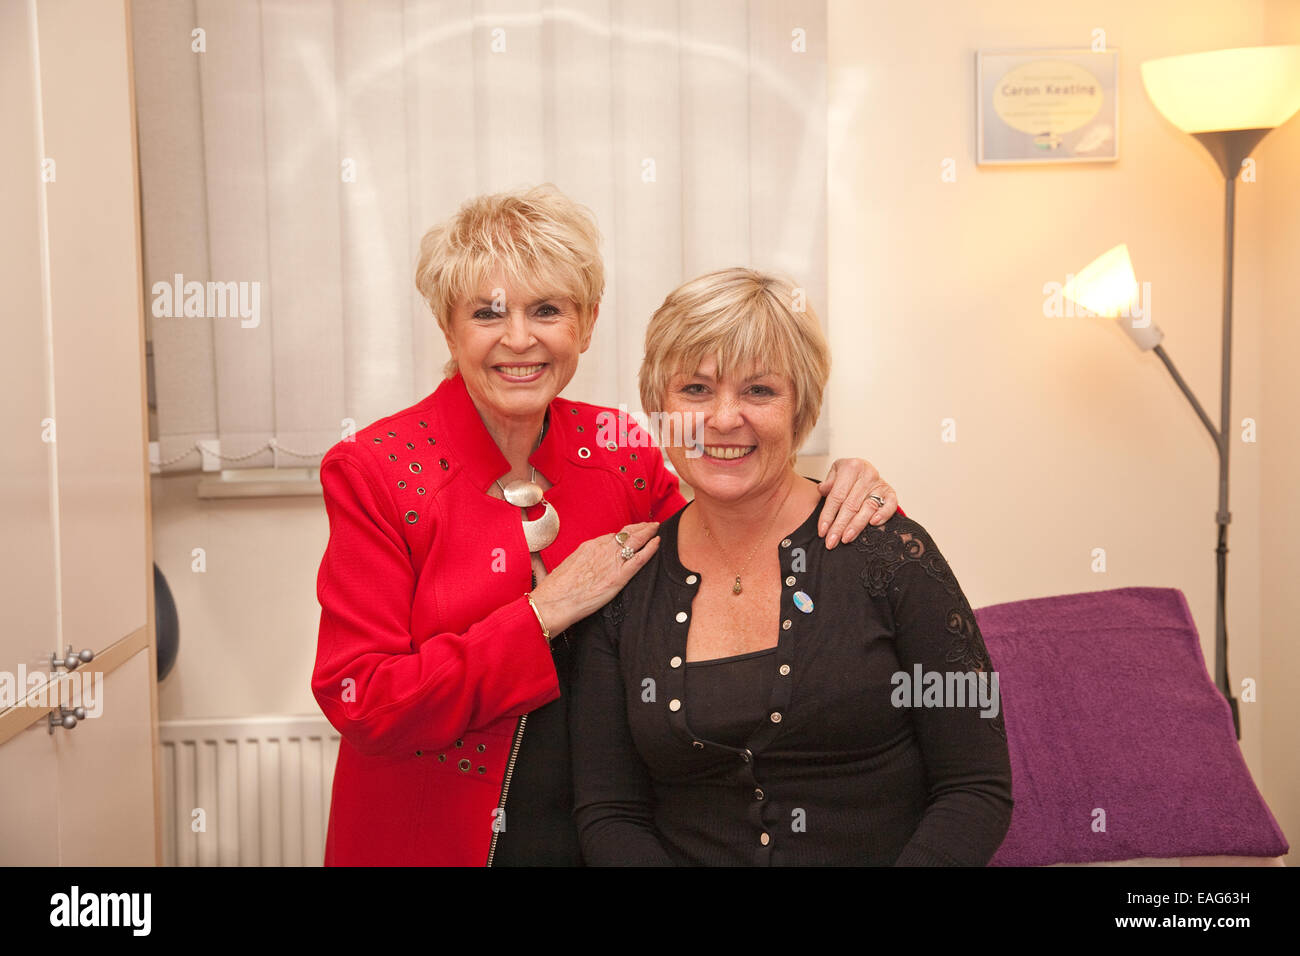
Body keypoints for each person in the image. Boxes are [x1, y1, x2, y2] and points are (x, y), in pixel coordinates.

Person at [311, 186, 901, 866]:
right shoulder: (376, 470)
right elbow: (364, 701)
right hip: (437, 838)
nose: (519, 338)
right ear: (448, 329)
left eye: (548, 310)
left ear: (587, 325)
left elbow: (733, 548)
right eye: (487, 313)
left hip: (603, 830)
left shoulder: (618, 447)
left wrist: (851, 496)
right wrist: (543, 613)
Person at [568, 267, 1013, 866]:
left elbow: (975, 787)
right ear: (657, 407)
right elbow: (610, 812)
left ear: (802, 409)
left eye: (759, 391)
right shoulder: (626, 589)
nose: (724, 419)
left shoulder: (889, 554)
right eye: (695, 390)